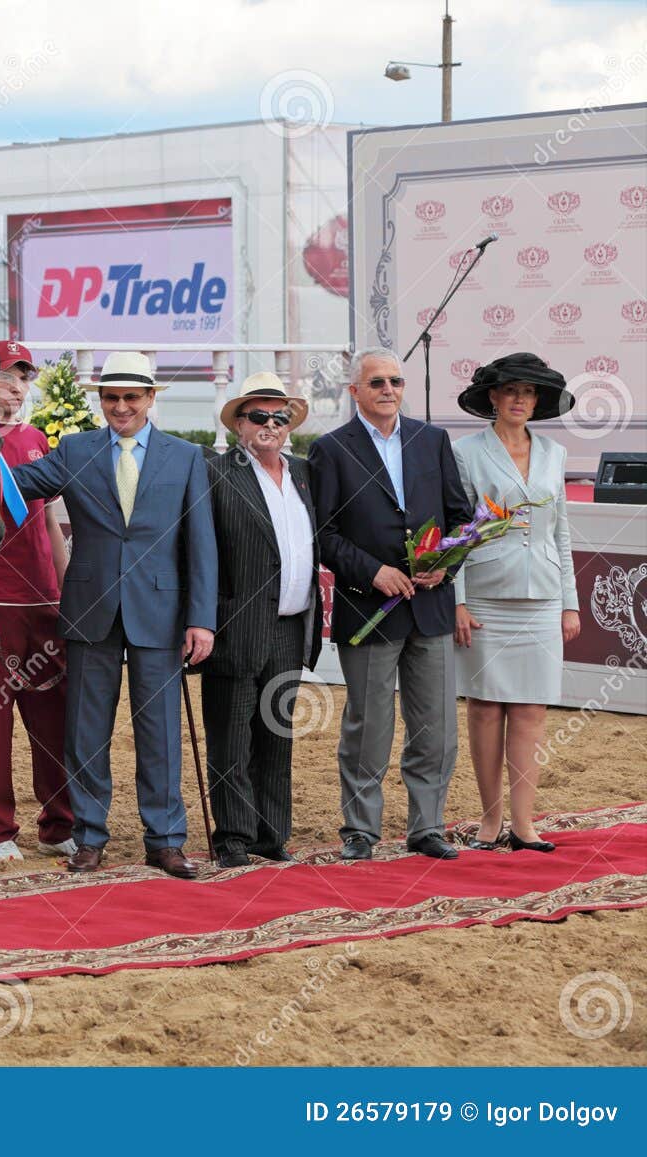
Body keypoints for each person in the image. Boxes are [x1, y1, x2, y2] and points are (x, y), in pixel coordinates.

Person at [9, 351, 217, 879]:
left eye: (131, 396)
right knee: (86, 731)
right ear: (99, 401)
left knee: (160, 732)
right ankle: (89, 838)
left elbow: (202, 546)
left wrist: (202, 619)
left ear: (151, 398)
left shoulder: (186, 456)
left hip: (162, 613)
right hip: (90, 609)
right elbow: (14, 487)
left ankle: (166, 841)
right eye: (110, 397)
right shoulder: (74, 449)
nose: (120, 406)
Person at [307, 348, 474, 862]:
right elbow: (324, 532)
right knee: (368, 726)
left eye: (396, 381)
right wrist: (371, 571)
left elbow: (461, 518)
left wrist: (448, 563)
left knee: (436, 727)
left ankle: (427, 827)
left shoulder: (432, 440)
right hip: (367, 606)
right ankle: (361, 830)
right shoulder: (330, 449)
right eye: (376, 381)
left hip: (431, 606)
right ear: (353, 390)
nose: (388, 389)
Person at [451, 353, 580, 853]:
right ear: (493, 397)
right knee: (484, 710)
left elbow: (562, 532)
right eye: (510, 391)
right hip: (485, 596)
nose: (519, 400)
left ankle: (524, 825)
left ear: (538, 401)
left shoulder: (555, 453)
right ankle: (489, 821)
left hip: (544, 600)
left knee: (531, 713)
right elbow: (459, 531)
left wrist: (569, 602)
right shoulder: (466, 452)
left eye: (528, 392)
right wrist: (457, 601)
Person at [0, 340, 74, 862]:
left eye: (25, 380)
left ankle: (59, 823)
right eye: (8, 378)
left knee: (54, 712)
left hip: (42, 595)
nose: (18, 388)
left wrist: (66, 589)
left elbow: (48, 518)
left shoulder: (35, 438)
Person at [200, 374, 322, 868]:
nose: (270, 424)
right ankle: (231, 836)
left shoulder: (305, 473)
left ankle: (271, 836)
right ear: (238, 425)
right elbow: (201, 554)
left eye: (280, 416)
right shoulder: (215, 473)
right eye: (258, 416)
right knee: (231, 735)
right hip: (235, 623)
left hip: (291, 626)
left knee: (277, 733)